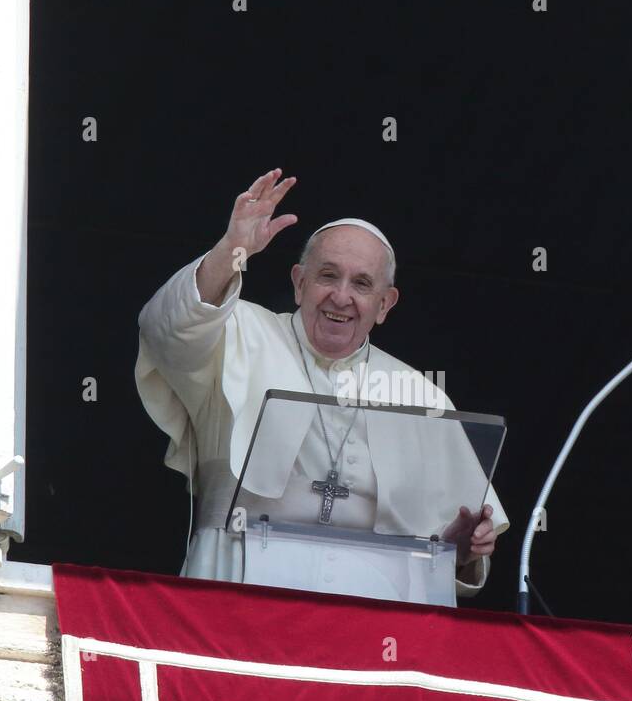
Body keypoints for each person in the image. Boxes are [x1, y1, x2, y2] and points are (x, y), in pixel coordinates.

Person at [135, 168, 507, 598]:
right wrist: (231, 249)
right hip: (239, 583)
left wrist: (458, 550)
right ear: (299, 283)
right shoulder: (236, 333)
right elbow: (165, 330)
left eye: (362, 284)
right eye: (328, 275)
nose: (341, 297)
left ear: (384, 305)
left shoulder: (421, 395)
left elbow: (455, 550)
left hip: (373, 604)